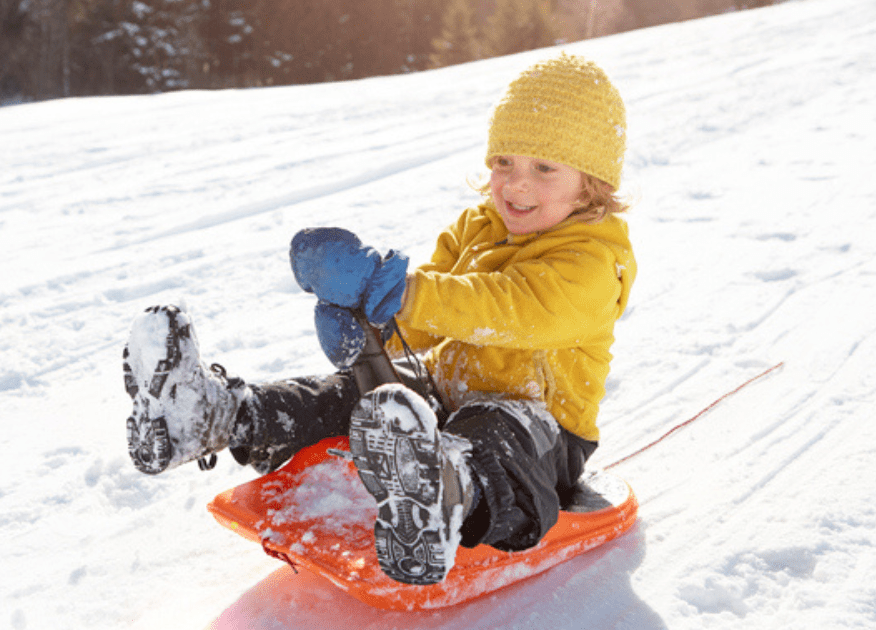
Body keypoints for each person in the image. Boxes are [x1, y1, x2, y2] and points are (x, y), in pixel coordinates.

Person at [121, 52, 636, 586]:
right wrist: (375, 320)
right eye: (504, 161)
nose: (514, 184)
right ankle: (213, 414)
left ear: (592, 183)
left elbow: (514, 309)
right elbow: (428, 323)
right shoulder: (478, 226)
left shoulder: (596, 261)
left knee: (496, 432)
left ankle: (441, 493)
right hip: (447, 395)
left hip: (541, 431)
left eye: (544, 168)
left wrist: (406, 293)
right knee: (363, 395)